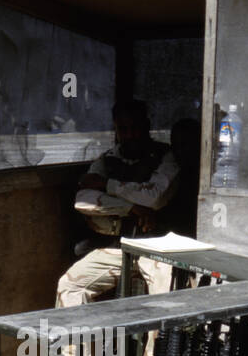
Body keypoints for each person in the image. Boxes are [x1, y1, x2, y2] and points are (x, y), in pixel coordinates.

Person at [55, 99, 180, 308]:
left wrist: (107, 185)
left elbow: (154, 198)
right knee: (69, 287)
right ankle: (79, 341)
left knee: (164, 303)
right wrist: (132, 208)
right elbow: (83, 200)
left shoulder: (166, 157)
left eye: (135, 128)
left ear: (147, 127)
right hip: (118, 247)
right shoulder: (108, 159)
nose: (130, 135)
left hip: (160, 247)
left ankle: (155, 343)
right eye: (123, 129)